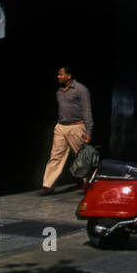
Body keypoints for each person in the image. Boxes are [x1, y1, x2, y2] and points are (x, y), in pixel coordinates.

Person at [39, 65, 93, 195]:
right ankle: (48, 185)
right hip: (61, 127)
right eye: (58, 74)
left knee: (82, 157)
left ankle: (89, 183)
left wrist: (88, 130)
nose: (58, 77)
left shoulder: (81, 90)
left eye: (61, 74)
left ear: (69, 76)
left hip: (76, 126)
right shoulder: (59, 92)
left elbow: (86, 110)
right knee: (55, 156)